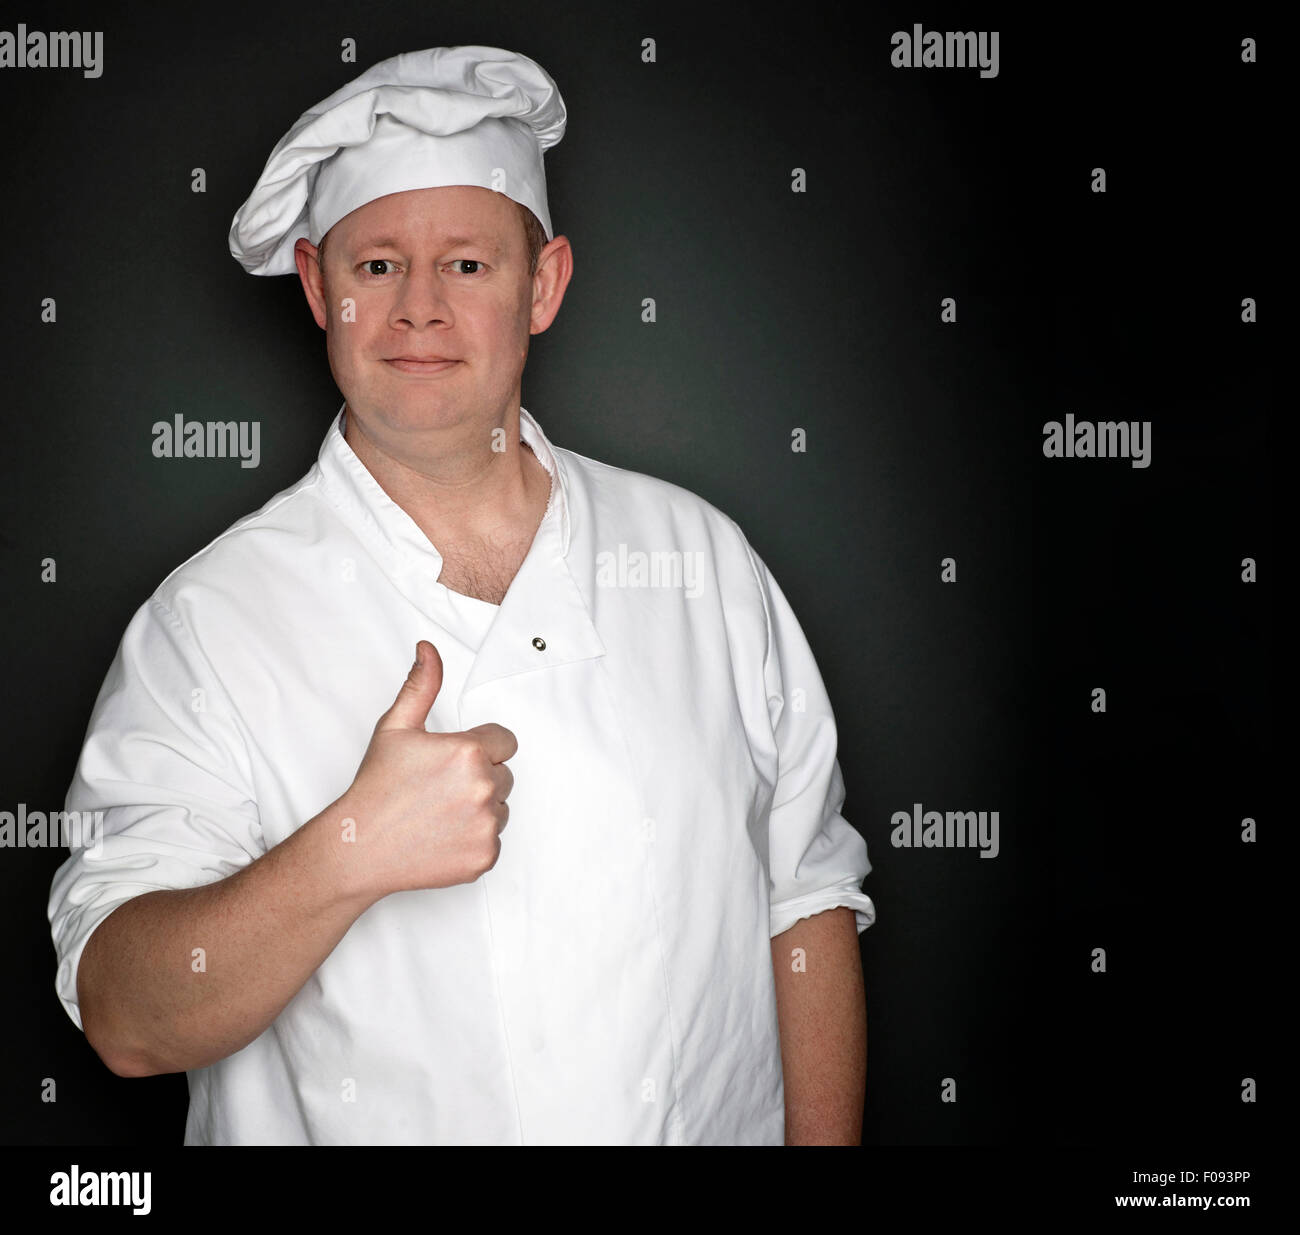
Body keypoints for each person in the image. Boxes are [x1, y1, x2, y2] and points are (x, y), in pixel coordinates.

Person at [47, 45, 875, 1146]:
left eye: (469, 266)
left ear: (544, 285)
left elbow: (804, 897)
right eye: (378, 265)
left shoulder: (698, 560)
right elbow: (125, 1016)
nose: (419, 311)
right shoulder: (210, 623)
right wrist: (351, 846)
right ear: (317, 289)